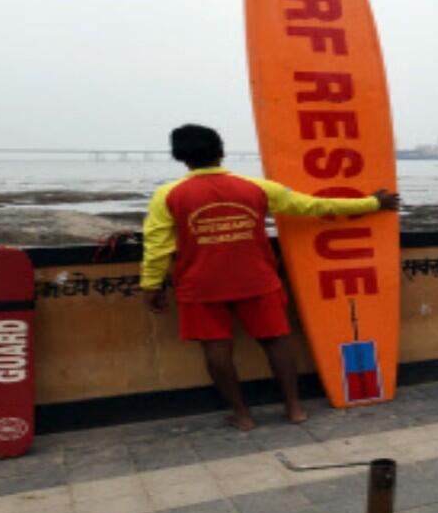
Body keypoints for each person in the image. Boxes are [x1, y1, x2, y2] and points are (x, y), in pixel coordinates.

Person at [140, 123, 400, 431]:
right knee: (276, 341)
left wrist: (151, 285)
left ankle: (243, 415)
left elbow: (157, 247)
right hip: (258, 279)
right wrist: (373, 203)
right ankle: (294, 409)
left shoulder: (167, 195)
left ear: (179, 157)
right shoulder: (258, 187)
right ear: (221, 151)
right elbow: (314, 206)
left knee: (216, 348)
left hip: (200, 284)